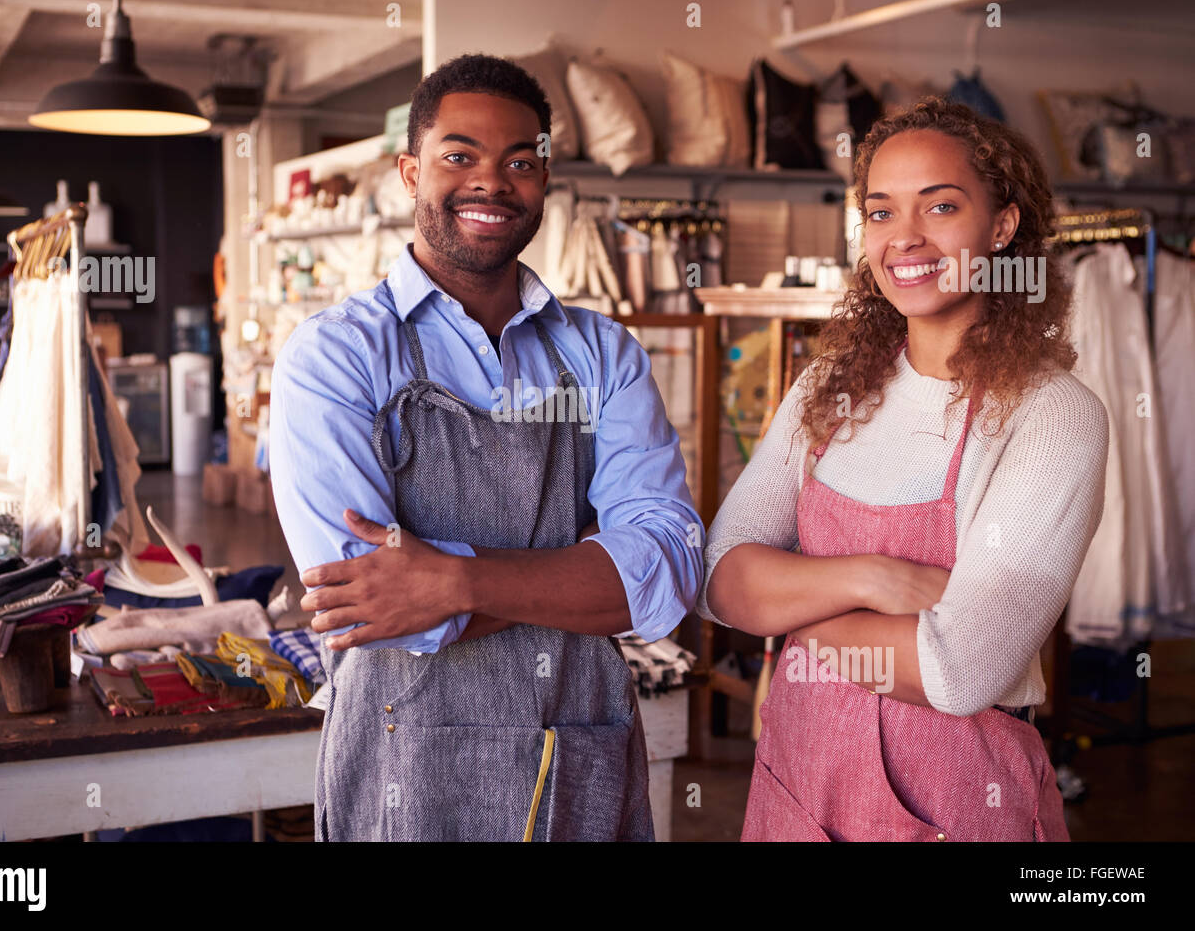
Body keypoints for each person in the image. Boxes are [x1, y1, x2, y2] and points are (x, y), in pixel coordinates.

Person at [269, 54, 702, 841]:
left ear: (545, 181)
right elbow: (368, 606)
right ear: (410, 172)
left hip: (577, 748)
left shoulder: (603, 352)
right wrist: (579, 569)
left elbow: (665, 569)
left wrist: (451, 581)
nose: (491, 183)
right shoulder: (335, 357)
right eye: (459, 156)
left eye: (520, 163)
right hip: (404, 766)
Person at [700, 97, 1108, 842]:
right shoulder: (827, 386)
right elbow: (721, 583)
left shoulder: (1051, 415)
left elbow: (959, 672)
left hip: (953, 797)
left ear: (1003, 225)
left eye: (941, 205)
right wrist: (873, 579)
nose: (905, 238)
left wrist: (788, 606)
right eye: (880, 212)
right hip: (798, 778)